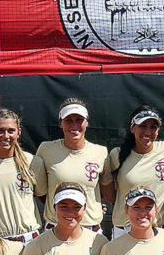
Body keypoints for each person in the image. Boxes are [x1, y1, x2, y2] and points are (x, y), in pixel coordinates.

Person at [0, 108, 47, 244]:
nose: (5, 136)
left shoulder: (33, 162)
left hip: (30, 240)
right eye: (0, 130)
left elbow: (44, 198)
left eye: (11, 130)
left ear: (19, 133)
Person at [36, 98, 113, 233]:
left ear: (87, 122)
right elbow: (42, 192)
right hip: (55, 227)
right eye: (68, 120)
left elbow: (106, 191)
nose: (74, 125)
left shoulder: (101, 152)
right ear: (60, 123)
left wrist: (93, 205)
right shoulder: (45, 150)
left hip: (90, 228)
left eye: (79, 120)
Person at [109, 105, 164, 238]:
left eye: (153, 127)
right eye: (143, 126)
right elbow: (109, 193)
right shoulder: (116, 155)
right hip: (124, 231)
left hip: (159, 231)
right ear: (132, 128)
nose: (148, 132)